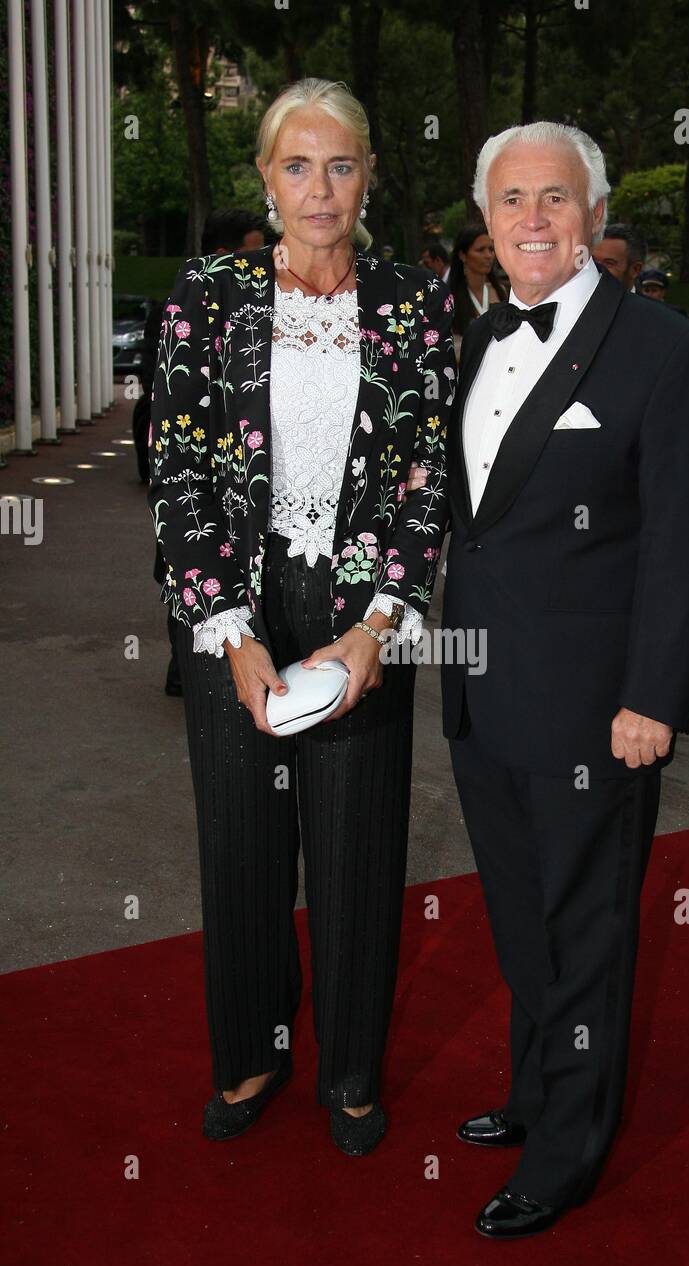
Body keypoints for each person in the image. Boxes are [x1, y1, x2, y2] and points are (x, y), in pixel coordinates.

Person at [440, 120, 689, 1238]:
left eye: (552, 198)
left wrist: (653, 699)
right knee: (522, 917)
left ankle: (567, 1148)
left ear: (592, 214)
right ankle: (532, 1092)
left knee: (585, 926)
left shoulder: (662, 350)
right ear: (484, 218)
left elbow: (686, 546)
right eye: (509, 198)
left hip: (595, 710)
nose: (530, 218)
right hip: (479, 691)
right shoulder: (472, 342)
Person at [147, 78, 454, 1154]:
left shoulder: (417, 302)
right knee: (239, 841)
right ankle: (249, 1052)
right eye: (295, 166)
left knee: (358, 846)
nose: (318, 191)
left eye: (339, 166)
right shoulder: (206, 292)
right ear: (265, 176)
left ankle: (353, 1069)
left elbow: (427, 474)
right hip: (242, 595)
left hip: (360, 605)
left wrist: (378, 625)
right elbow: (179, 469)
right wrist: (228, 630)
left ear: (367, 173)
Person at [138, 209, 268, 698]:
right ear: (221, 253)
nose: (261, 260)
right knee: (184, 575)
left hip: (243, 501)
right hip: (195, 487)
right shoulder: (187, 301)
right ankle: (187, 667)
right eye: (250, 249)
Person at [449, 224, 506, 360]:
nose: (488, 255)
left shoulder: (500, 291)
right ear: (463, 255)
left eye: (491, 249)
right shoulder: (450, 298)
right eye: (480, 250)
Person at [592, 221, 647, 291]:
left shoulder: (645, 302)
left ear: (635, 269)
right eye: (592, 261)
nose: (596, 268)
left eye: (609, 263)